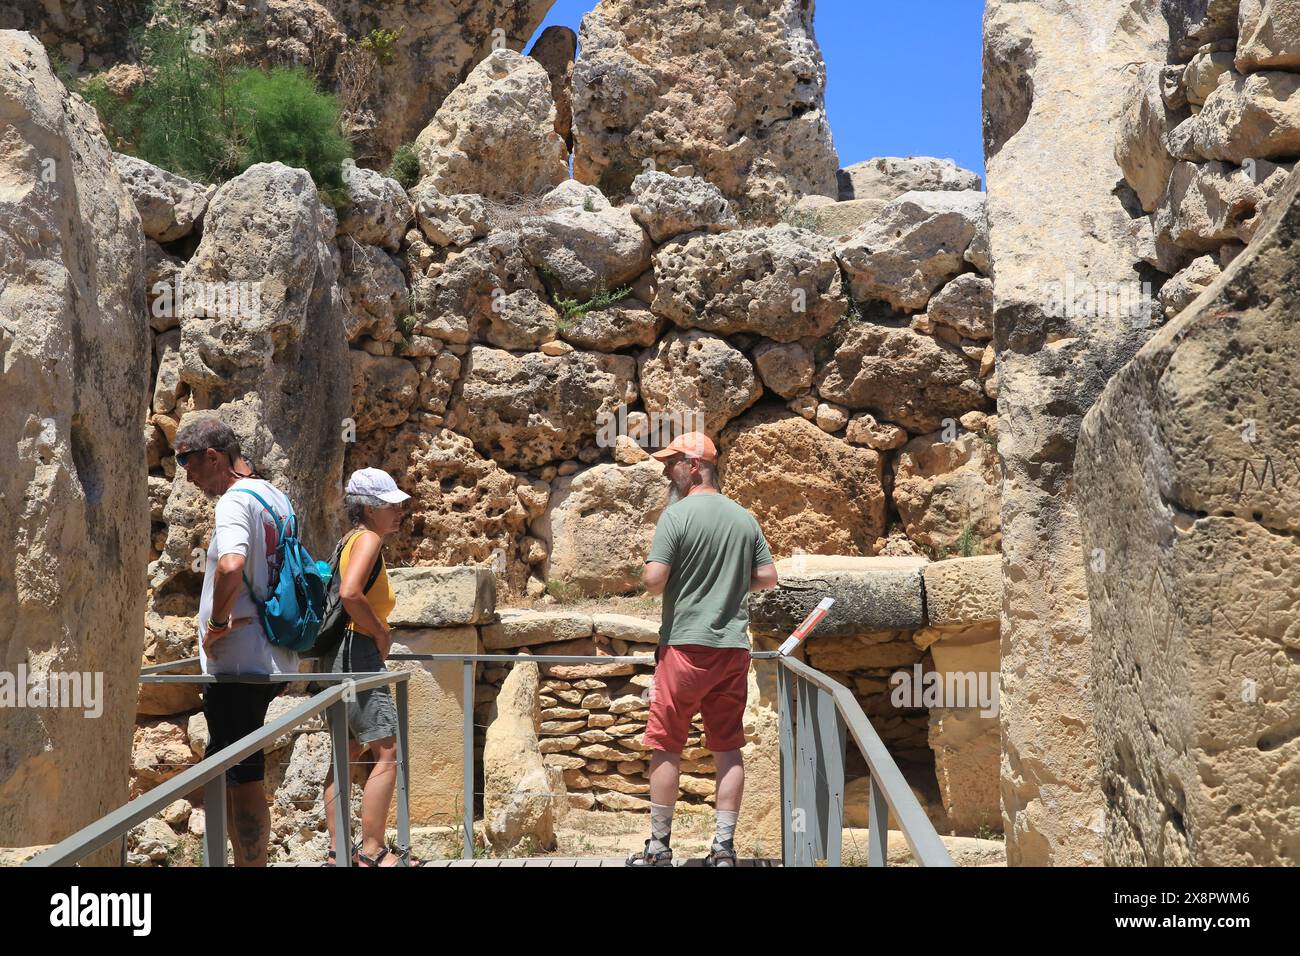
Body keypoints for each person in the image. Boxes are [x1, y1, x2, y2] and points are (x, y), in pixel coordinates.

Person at [627, 432, 778, 867]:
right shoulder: (744, 518)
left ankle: (659, 848)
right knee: (728, 747)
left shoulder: (675, 517)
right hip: (732, 650)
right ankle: (724, 849)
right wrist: (729, 583)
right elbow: (768, 577)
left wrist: (661, 573)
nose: (665, 471)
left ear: (694, 466)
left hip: (684, 649)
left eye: (671, 462)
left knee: (666, 745)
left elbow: (654, 581)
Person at [173, 416, 297, 867]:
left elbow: (231, 564)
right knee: (237, 769)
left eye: (186, 462)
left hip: (238, 662)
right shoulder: (275, 496)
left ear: (213, 456)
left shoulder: (232, 502)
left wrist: (217, 622)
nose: (186, 475)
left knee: (241, 776)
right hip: (272, 655)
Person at [321, 467, 416, 867]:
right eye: (391, 505)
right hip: (357, 650)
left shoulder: (348, 539)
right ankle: (373, 851)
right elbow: (350, 593)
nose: (399, 511)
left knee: (346, 752)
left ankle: (339, 852)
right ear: (368, 508)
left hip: (337, 655)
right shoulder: (370, 540)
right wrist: (380, 632)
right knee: (387, 751)